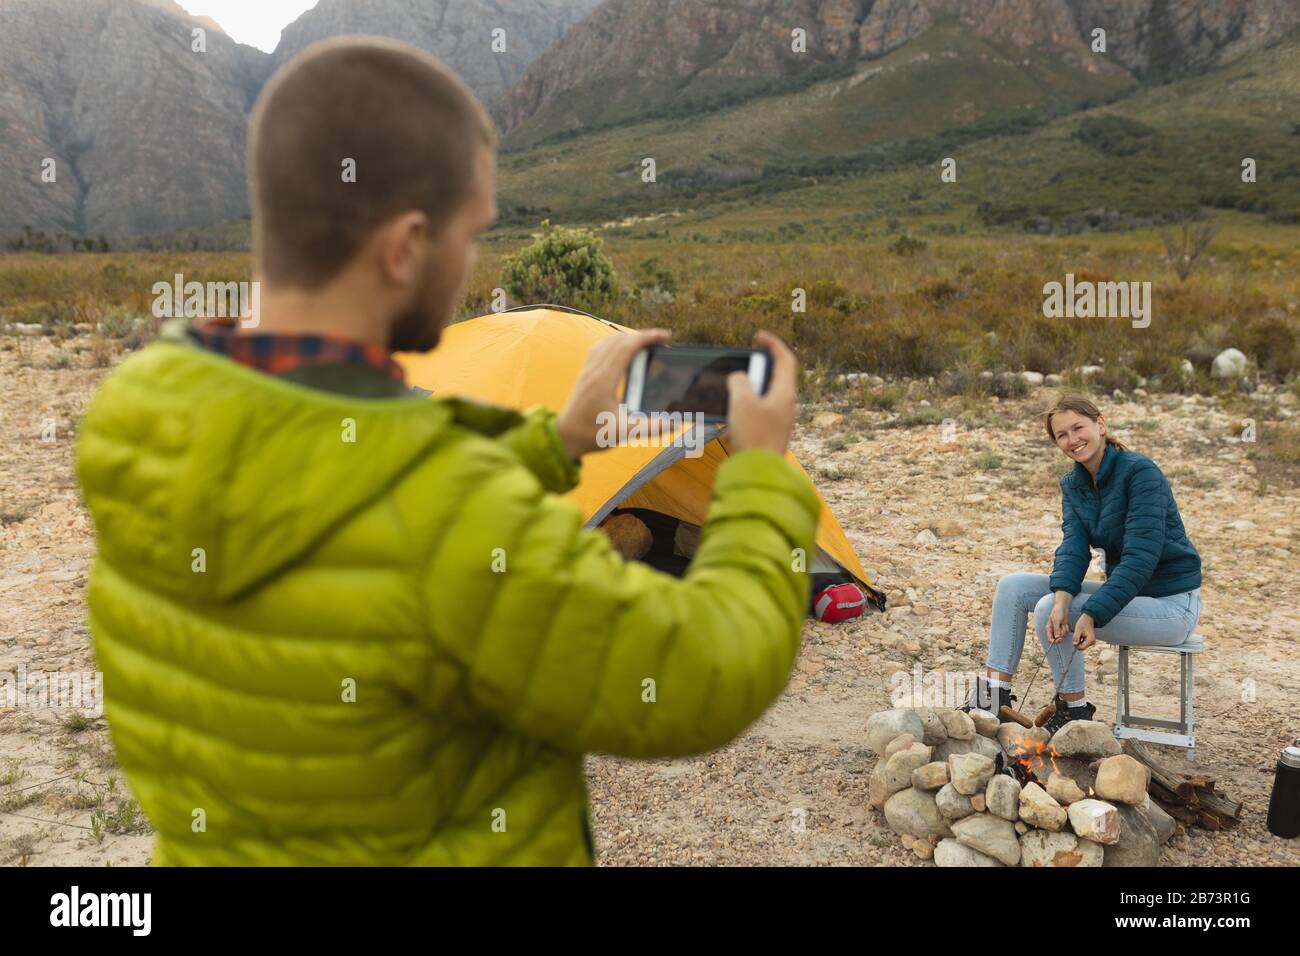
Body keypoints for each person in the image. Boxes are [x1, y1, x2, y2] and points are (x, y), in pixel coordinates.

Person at [75, 38, 821, 865]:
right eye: (469, 234)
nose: (471, 262)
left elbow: (355, 480)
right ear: (403, 248)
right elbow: (700, 676)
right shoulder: (449, 515)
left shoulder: (149, 420)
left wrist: (556, 439)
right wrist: (760, 476)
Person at [962, 396, 1202, 734]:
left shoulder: (1140, 473)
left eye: (1078, 428)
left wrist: (1091, 614)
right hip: (1129, 596)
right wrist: (1063, 598)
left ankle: (1073, 713)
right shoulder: (1073, 485)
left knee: (1048, 610)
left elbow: (1141, 558)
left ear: (1100, 425)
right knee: (1013, 587)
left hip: (1171, 605)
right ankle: (991, 703)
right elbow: (1074, 547)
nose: (1072, 440)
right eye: (1062, 435)